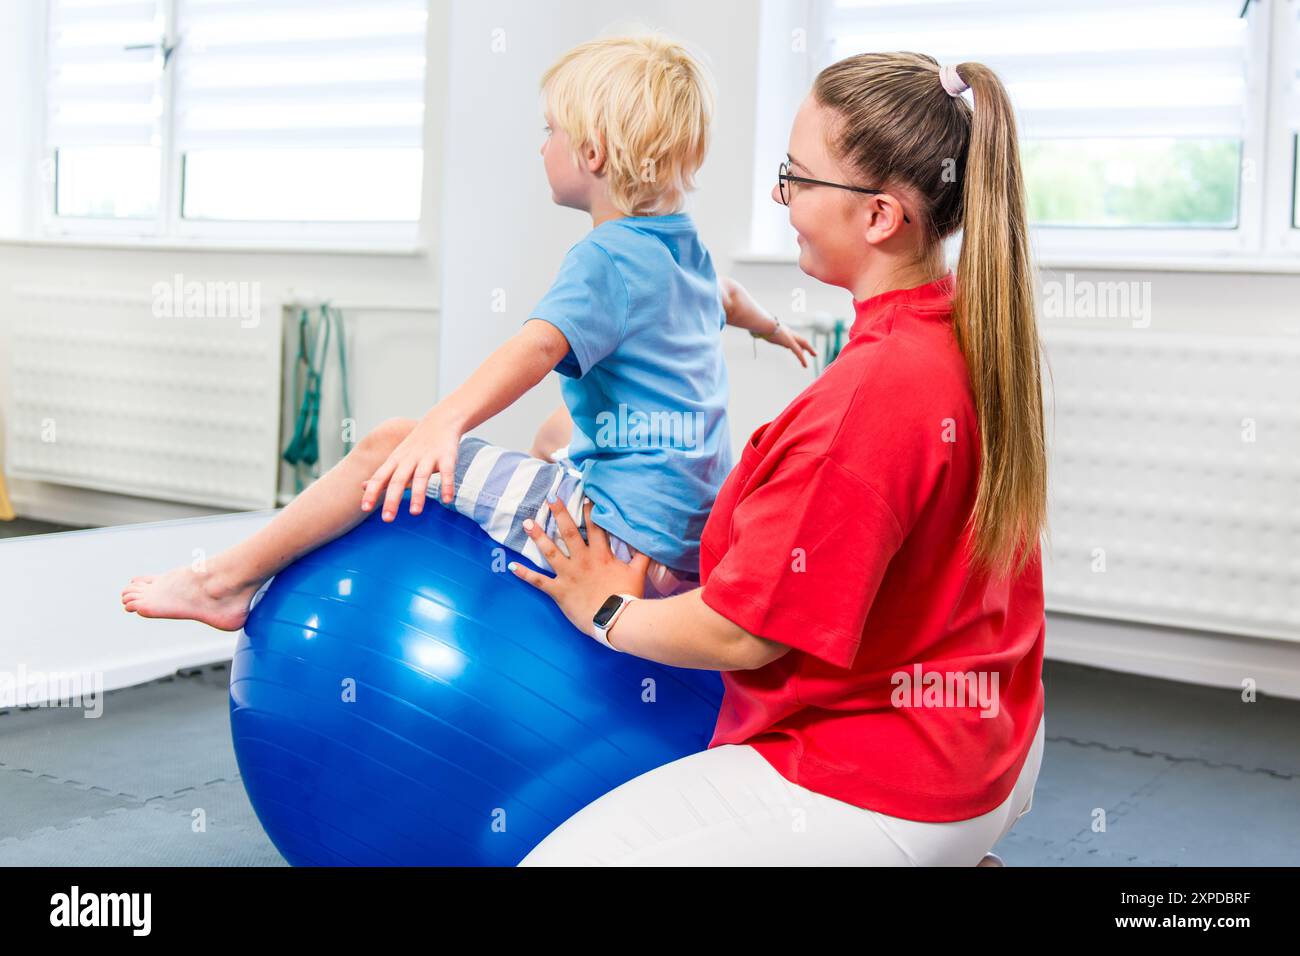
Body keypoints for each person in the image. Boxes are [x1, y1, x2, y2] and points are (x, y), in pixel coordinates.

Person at [509, 53, 1049, 866]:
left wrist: (607, 611)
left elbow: (740, 637)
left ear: (878, 217)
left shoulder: (879, 391)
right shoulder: (961, 325)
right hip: (992, 742)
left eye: (796, 178)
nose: (779, 197)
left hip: (884, 778)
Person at [120, 33, 811, 628]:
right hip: (683, 542)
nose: (542, 146)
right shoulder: (682, 246)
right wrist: (773, 328)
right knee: (552, 434)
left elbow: (537, 347)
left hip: (617, 538)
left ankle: (223, 583)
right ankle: (533, 553)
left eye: (551, 131)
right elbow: (727, 295)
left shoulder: (605, 258)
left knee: (389, 442)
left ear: (592, 153)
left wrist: (439, 425)